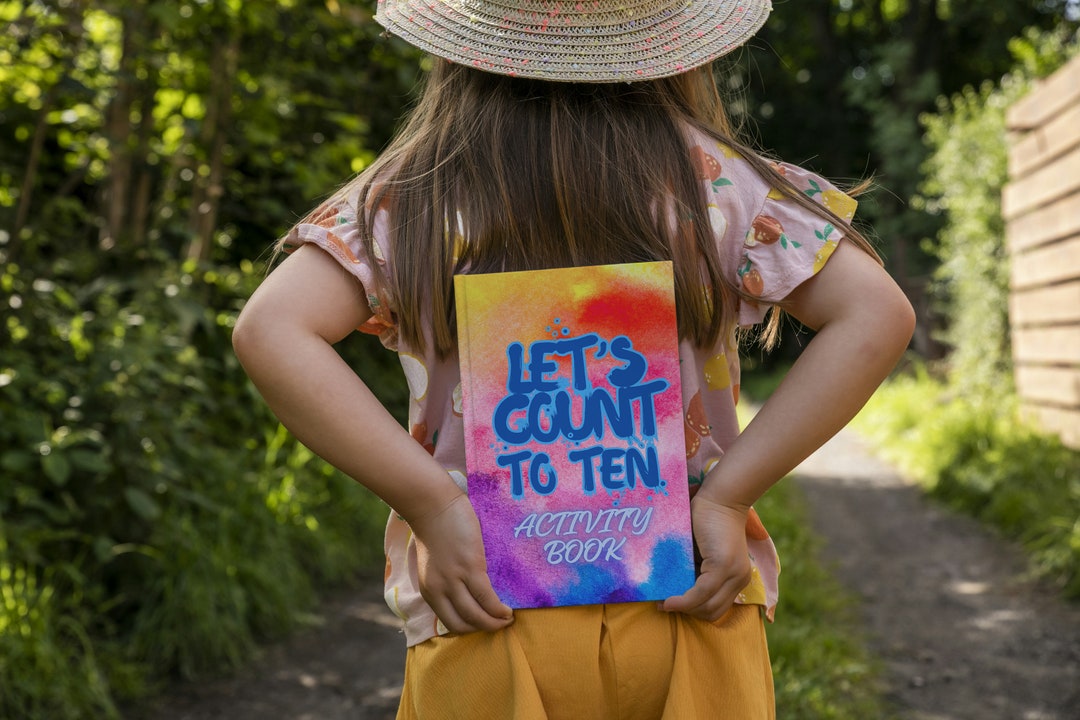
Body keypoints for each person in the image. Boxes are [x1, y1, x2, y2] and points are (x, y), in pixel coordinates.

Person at [232, 0, 916, 717]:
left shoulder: (415, 193)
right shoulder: (713, 180)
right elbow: (877, 315)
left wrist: (432, 505)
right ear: (665, 37)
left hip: (483, 597)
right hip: (684, 585)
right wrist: (727, 496)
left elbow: (271, 330)